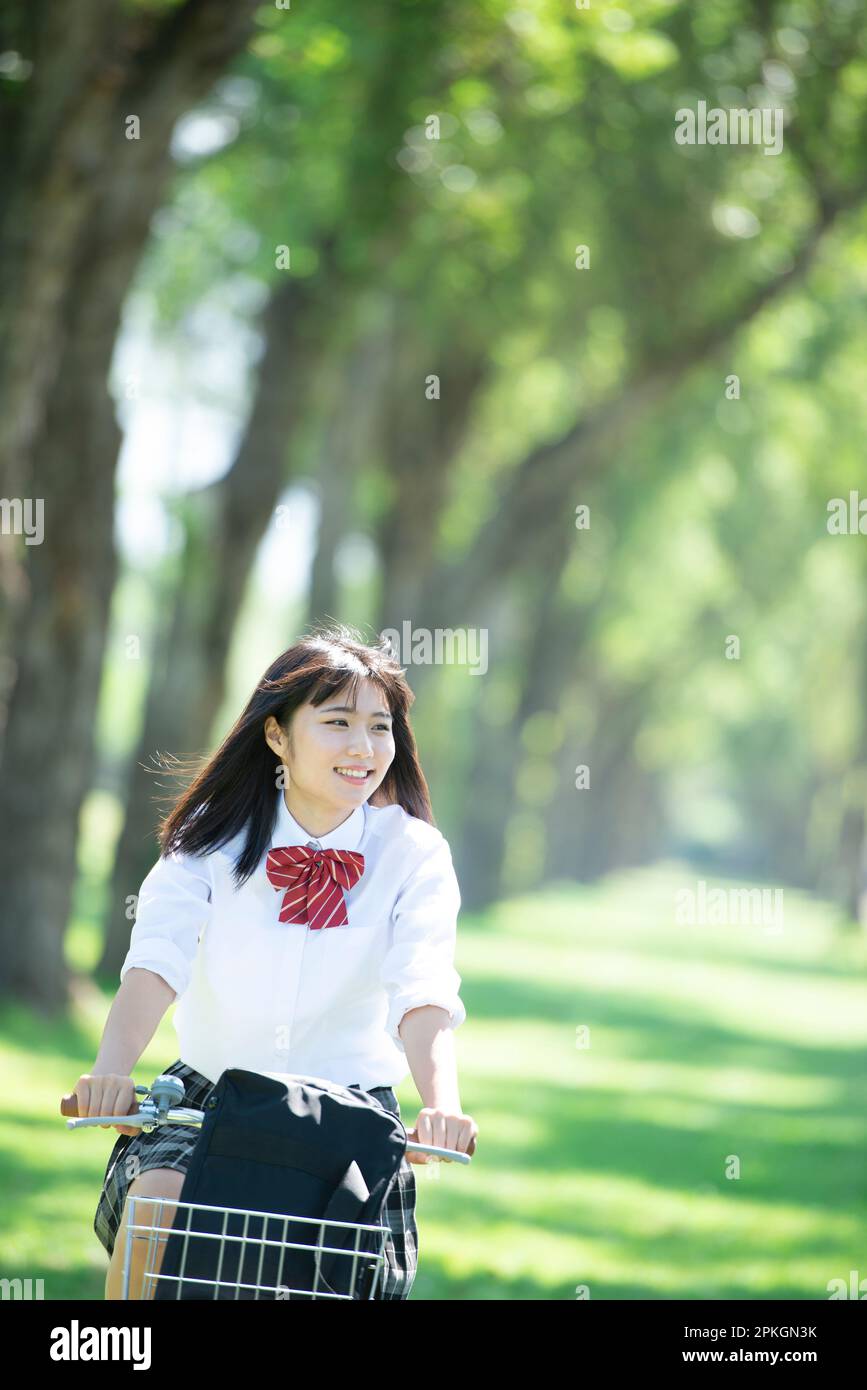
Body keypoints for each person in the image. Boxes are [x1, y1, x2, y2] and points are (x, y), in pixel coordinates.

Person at [77, 623, 477, 1300]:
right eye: (337, 722)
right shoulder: (209, 837)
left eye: (380, 728)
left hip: (350, 1111)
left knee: (333, 1277)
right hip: (210, 1095)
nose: (363, 747)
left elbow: (422, 985)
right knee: (160, 1206)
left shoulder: (413, 854)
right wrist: (111, 1070)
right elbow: (156, 961)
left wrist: (442, 1104)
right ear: (275, 735)